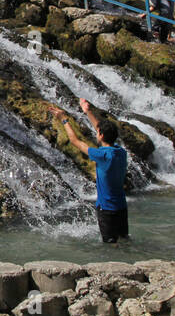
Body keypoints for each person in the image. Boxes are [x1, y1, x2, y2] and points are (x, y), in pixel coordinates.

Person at [51, 99, 130, 244]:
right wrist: (87, 111)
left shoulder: (102, 155)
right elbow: (101, 130)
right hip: (121, 206)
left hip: (107, 209)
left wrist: (64, 120)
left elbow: (75, 141)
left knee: (111, 245)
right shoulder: (120, 152)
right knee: (124, 239)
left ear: (100, 135)